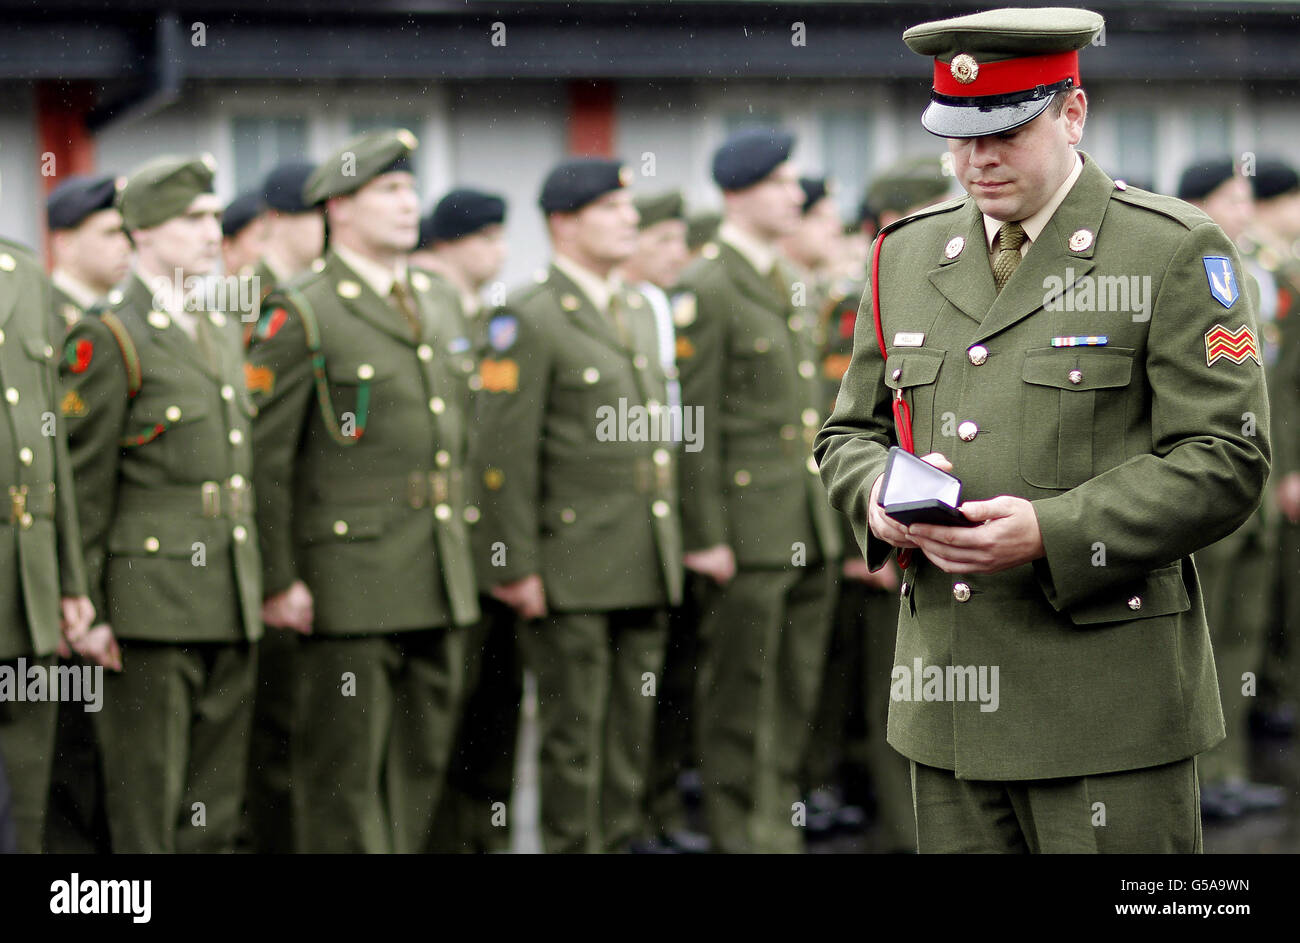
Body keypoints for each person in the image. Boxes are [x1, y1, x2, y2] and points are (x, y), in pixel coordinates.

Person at [816, 7, 1271, 854]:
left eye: (1007, 131)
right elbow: (848, 433)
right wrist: (878, 495)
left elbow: (1226, 457)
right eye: (957, 136)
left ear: (1072, 113)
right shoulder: (903, 256)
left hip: (1106, 710)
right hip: (947, 700)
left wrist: (1052, 531)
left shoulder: (1166, 249)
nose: (976, 159)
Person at [246, 128, 478, 853]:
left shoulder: (436, 299)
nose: (409, 204)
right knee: (345, 775)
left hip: (437, 568)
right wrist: (280, 578)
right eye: (388, 191)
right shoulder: (304, 309)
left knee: (418, 762)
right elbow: (267, 460)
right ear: (338, 207)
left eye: (411, 189)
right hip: (349, 578)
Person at [473, 158, 683, 853]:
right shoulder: (526, 316)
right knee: (574, 742)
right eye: (611, 208)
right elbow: (499, 456)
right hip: (569, 567)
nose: (630, 218)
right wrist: (515, 564)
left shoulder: (631, 306)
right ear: (564, 222)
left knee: (628, 738)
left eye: (630, 207)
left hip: (641, 558)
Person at [59, 154, 263, 853]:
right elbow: (81, 486)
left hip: (228, 592)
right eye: (192, 219)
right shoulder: (111, 333)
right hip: (149, 601)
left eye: (214, 216)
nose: (212, 232)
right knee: (148, 803)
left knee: (213, 808)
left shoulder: (216, 326)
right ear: (143, 231)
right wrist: (82, 604)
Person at [674, 128, 841, 853]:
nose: (793, 195)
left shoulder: (781, 280)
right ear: (738, 193)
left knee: (791, 691)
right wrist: (704, 532)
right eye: (779, 182)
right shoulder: (708, 286)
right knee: (743, 692)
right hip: (745, 527)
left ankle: (777, 824)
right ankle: (743, 833)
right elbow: (692, 422)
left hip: (803, 516)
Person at [409, 187, 521, 855]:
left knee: (491, 715)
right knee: (443, 722)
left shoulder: (490, 315)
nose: (497, 250)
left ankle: (483, 838)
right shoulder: (428, 305)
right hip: (446, 550)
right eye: (483, 237)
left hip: (491, 551)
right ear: (446, 243)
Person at [1175, 159, 1286, 820]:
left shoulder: (1251, 274)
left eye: (1248, 199)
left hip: (1256, 485)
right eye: (1229, 198)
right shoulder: (1189, 270)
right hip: (1209, 487)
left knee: (1241, 633)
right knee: (1204, 640)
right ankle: (1195, 773)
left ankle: (1230, 767)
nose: (1243, 210)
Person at [617, 189, 706, 853]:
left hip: (666, 519)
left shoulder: (652, 308)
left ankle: (656, 810)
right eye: (662, 240)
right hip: (625, 528)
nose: (677, 255)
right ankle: (634, 817)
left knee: (669, 686)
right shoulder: (631, 307)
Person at [0, 236, 94, 855]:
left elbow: (48, 436)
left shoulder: (23, 273)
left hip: (25, 576)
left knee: (27, 789)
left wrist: (69, 580)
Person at [240, 158, 321, 854]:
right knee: (275, 741)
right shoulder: (258, 303)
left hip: (313, 546)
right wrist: (276, 571)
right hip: (270, 550)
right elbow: (262, 453)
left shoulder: (308, 297)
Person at [1249, 159, 1300, 740]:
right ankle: (1271, 695)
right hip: (1271, 450)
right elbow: (1275, 387)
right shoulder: (1258, 270)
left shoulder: (1280, 268)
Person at [46, 175, 131, 337]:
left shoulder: (124, 312)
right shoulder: (41, 315)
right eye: (110, 233)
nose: (126, 246)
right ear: (66, 244)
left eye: (126, 233)